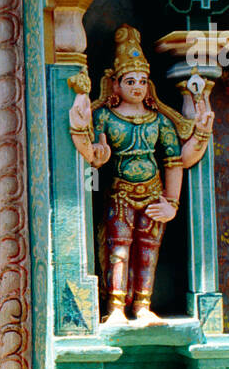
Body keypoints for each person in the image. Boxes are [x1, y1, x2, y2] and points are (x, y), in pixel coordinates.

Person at [68, 24, 214, 326]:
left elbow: (176, 161)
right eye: (130, 80)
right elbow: (92, 155)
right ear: (115, 84)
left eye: (143, 81)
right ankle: (117, 306)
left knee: (148, 250)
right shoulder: (105, 116)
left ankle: (143, 305)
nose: (137, 86)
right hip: (120, 194)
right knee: (119, 248)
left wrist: (172, 203)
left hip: (154, 193)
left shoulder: (159, 121)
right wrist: (93, 149)